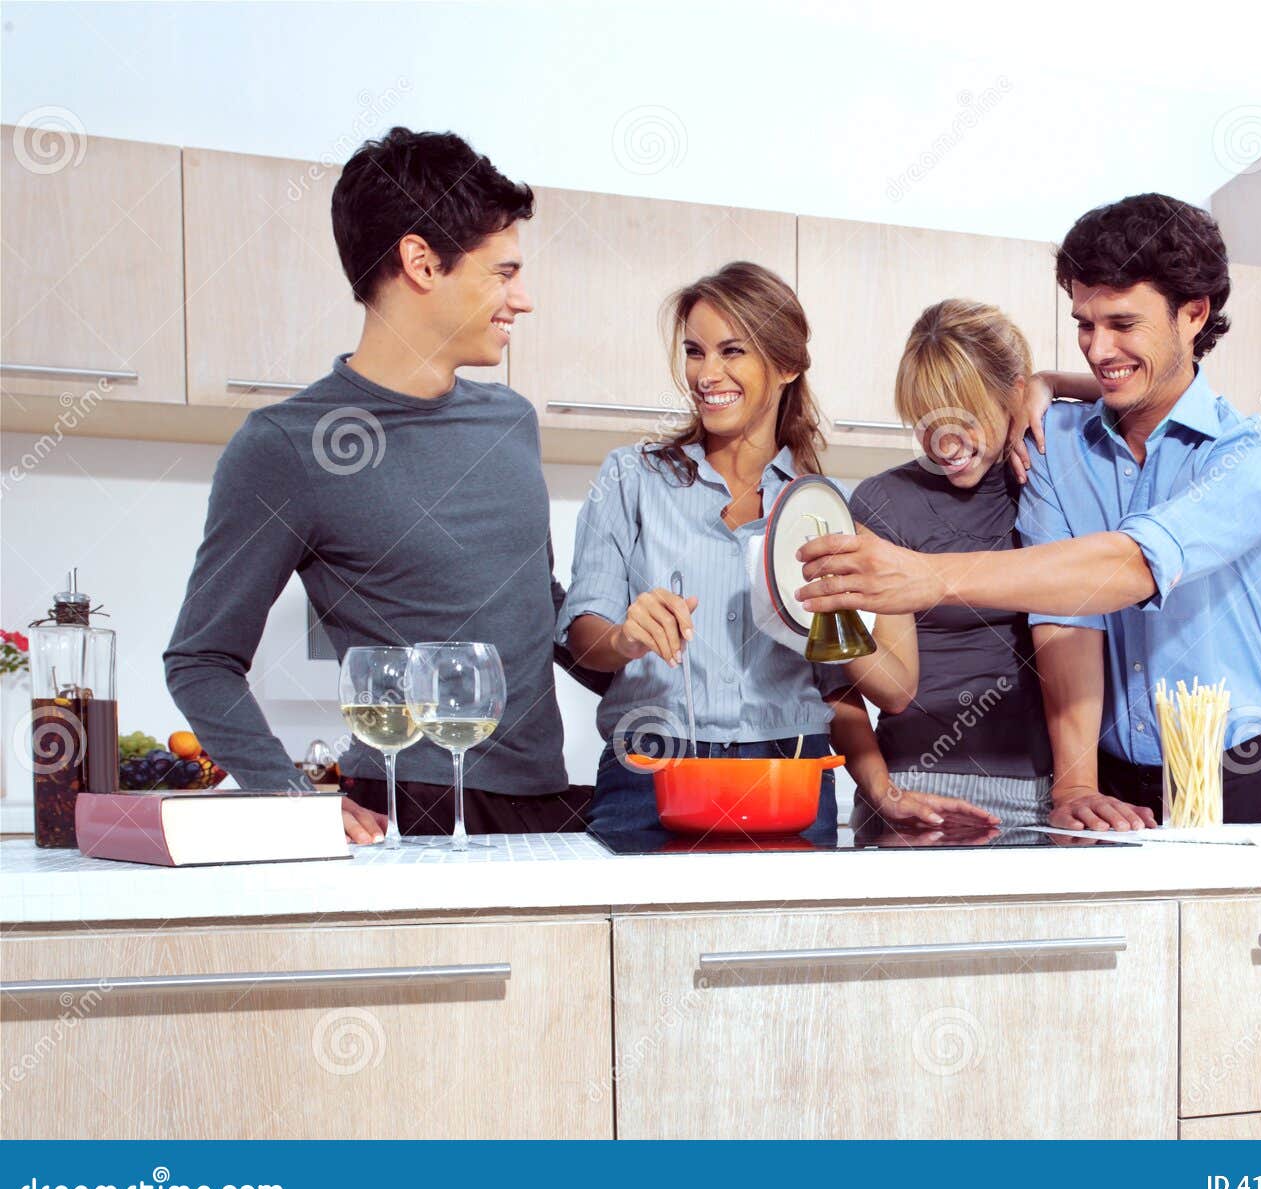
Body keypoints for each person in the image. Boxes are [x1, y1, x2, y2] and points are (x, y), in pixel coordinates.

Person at [796, 193, 1261, 829]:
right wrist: (1076, 784)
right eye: (1085, 325)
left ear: (1193, 313)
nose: (1098, 348)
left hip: (1226, 772)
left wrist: (929, 576)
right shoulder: (1054, 445)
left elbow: (1129, 565)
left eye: (1122, 323)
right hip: (1106, 782)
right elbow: (1068, 617)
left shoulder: (1252, 461)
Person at [165, 127, 604, 844]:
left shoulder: (511, 421)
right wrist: (290, 797)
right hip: (408, 812)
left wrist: (648, 669)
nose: (522, 300)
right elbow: (201, 659)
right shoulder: (285, 446)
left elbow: (537, 606)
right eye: (503, 273)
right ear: (421, 263)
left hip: (543, 802)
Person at [559, 262, 847, 835]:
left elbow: (840, 674)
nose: (707, 374)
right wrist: (625, 637)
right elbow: (584, 635)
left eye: (732, 351)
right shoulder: (631, 477)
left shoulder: (819, 504)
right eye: (695, 352)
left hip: (789, 768)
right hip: (650, 770)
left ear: (787, 364)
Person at [830, 300, 1099, 830]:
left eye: (966, 420)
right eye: (926, 422)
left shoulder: (1046, 484)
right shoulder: (882, 503)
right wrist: (884, 792)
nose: (945, 445)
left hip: (1048, 794)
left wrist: (1049, 382)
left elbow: (1146, 394)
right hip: (918, 790)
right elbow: (862, 684)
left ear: (1014, 397)